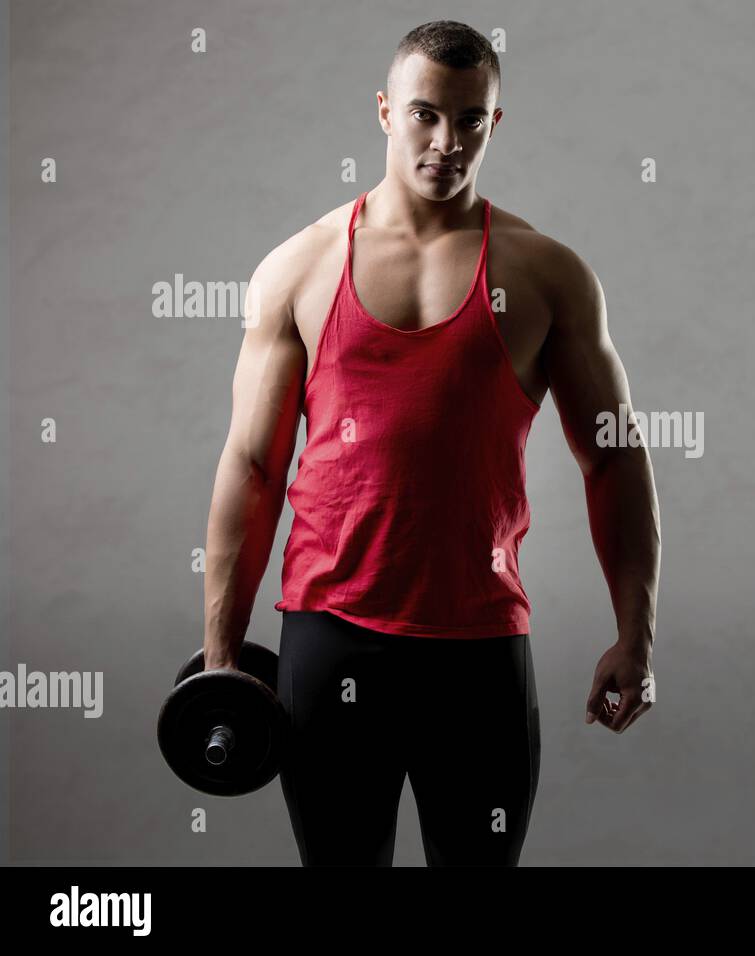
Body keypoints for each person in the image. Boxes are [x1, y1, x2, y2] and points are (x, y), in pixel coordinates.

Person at [199, 20, 660, 866]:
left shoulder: (546, 275)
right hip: (330, 638)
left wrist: (637, 632)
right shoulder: (300, 269)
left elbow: (614, 457)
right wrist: (223, 656)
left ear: (495, 122)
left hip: (477, 650)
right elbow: (254, 468)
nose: (447, 143)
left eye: (471, 120)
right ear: (384, 112)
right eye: (425, 115)